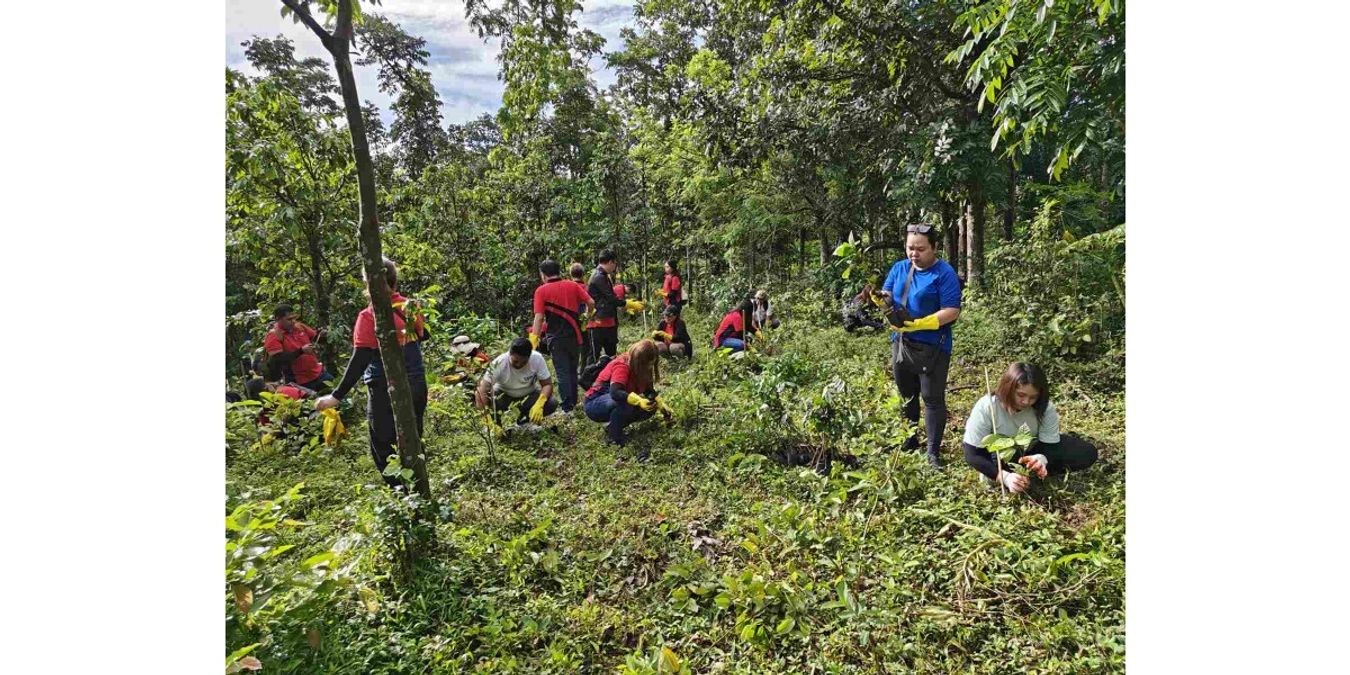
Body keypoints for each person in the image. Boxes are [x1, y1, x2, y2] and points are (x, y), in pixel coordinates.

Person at [314, 257, 430, 490]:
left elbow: (361, 358)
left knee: (382, 444)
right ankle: (418, 491)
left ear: (368, 283)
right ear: (394, 279)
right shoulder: (411, 306)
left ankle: (401, 495)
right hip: (416, 382)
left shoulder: (368, 317)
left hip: (383, 388)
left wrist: (336, 396)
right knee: (413, 437)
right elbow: (424, 334)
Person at [878, 223, 963, 469]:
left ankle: (933, 452)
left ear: (934, 248)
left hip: (934, 344)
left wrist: (921, 323)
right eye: (910, 248)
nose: (914, 253)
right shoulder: (900, 268)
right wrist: (881, 300)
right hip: (902, 343)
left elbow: (952, 310)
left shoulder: (943, 273)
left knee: (931, 397)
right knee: (907, 394)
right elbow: (889, 294)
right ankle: (909, 440)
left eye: (921, 249)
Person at [962, 362, 1098, 493]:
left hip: (1031, 450)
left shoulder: (1044, 407)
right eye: (1021, 395)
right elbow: (972, 454)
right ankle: (1003, 476)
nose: (1026, 402)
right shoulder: (987, 406)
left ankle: (1033, 473)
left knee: (1086, 452)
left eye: (1033, 397)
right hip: (1000, 455)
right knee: (997, 460)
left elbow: (1050, 445)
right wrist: (1004, 477)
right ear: (1008, 389)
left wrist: (1042, 459)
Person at [583, 339, 672, 459]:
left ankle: (613, 426)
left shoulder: (644, 367)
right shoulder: (623, 365)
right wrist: (638, 400)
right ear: (640, 360)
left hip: (615, 400)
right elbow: (615, 392)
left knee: (650, 407)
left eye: (652, 364)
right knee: (625, 404)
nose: (650, 367)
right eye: (648, 364)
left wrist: (659, 403)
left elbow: (648, 390)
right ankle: (615, 438)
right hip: (595, 403)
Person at [530, 259, 596, 413]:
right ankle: (573, 402)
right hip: (575, 335)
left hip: (556, 337)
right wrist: (586, 316)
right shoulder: (572, 285)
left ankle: (567, 408)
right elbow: (591, 302)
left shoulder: (541, 290)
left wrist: (534, 338)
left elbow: (539, 317)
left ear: (543, 275)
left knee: (562, 372)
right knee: (573, 369)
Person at [474, 337, 559, 430]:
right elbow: (481, 391)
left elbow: (547, 384)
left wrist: (539, 404)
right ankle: (495, 427)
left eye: (524, 362)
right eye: (515, 361)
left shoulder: (537, 359)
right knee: (488, 399)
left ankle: (524, 422)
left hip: (528, 395)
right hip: (503, 395)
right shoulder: (499, 363)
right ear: (510, 353)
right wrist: (488, 420)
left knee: (551, 403)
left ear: (529, 356)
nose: (519, 365)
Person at [262, 304, 332, 390]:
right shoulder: (274, 335)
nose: (293, 321)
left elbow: (316, 338)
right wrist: (301, 351)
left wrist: (322, 335)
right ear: (278, 319)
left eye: (294, 318)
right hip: (298, 381)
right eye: (289, 319)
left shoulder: (299, 327)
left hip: (317, 373)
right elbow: (278, 358)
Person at [586, 250, 621, 364]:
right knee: (595, 355)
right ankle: (589, 379)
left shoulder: (603, 276)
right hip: (598, 322)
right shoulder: (598, 277)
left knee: (611, 353)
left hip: (607, 320)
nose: (615, 267)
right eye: (615, 263)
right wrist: (626, 303)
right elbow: (610, 298)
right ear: (610, 262)